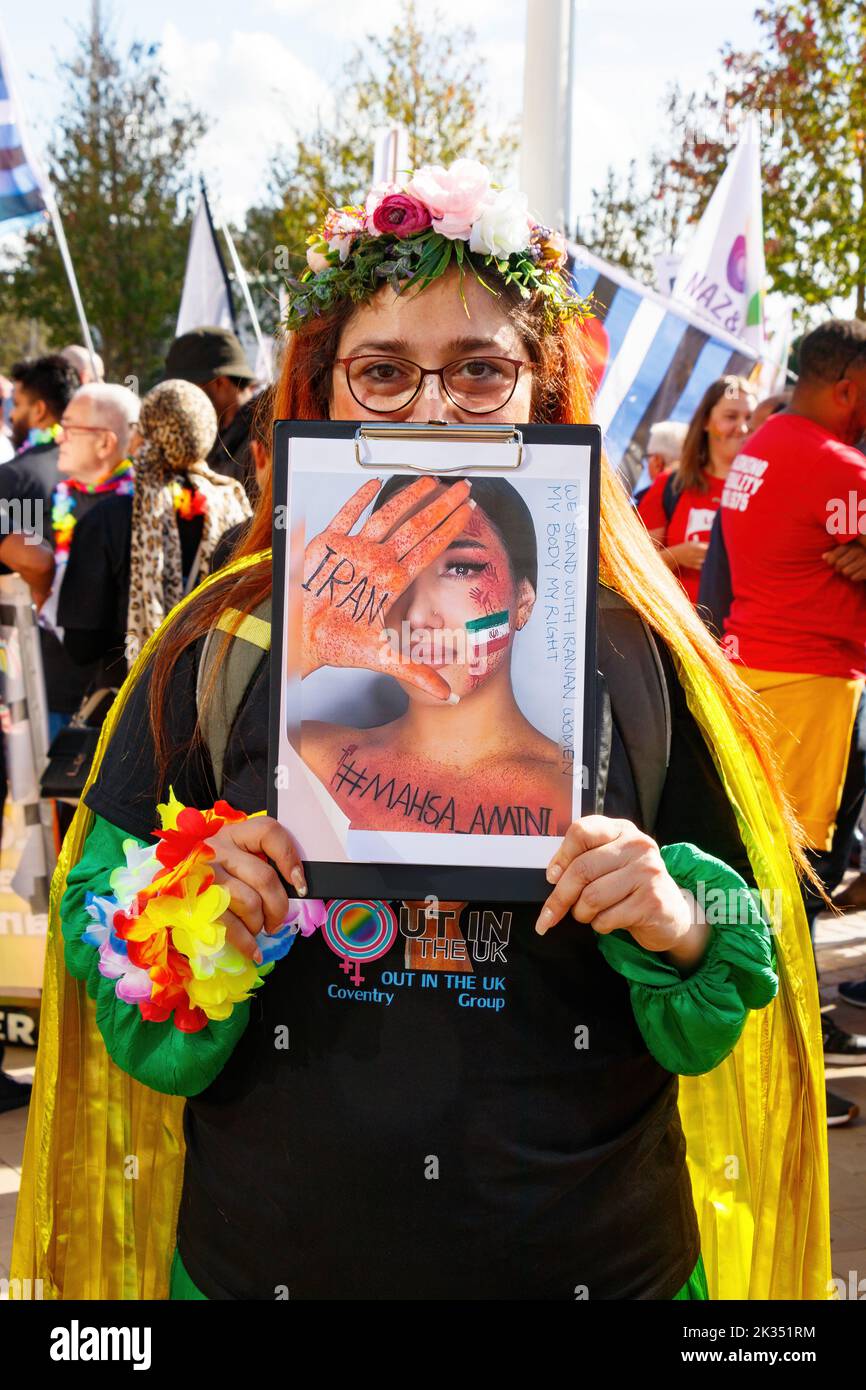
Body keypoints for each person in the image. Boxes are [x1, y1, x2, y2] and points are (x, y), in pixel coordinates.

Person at [14, 161, 829, 1301]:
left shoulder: (641, 653)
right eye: (383, 373)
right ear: (323, 390)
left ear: (541, 392)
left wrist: (678, 921)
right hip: (269, 1264)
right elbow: (108, 933)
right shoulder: (223, 645)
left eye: (479, 371)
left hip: (593, 1262)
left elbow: (737, 949)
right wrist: (194, 918)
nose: (433, 408)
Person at [708, 319, 866, 1115]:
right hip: (809, 686)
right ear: (846, 387)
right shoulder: (835, 464)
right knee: (794, 883)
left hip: (761, 674)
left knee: (774, 869)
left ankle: (786, 1046)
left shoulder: (768, 441)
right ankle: (785, 1068)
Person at [300, 475, 572, 833]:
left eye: (460, 568)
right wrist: (300, 643)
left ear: (523, 599)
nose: (416, 617)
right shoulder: (308, 759)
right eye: (393, 574)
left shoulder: (578, 795)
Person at [59, 379, 251, 681]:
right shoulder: (237, 509)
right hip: (211, 701)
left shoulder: (107, 519)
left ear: (144, 434)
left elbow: (81, 647)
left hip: (128, 708)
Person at [637, 377, 755, 604]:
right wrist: (677, 556)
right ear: (706, 422)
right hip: (673, 629)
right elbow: (636, 565)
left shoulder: (764, 491)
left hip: (735, 632)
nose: (742, 428)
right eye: (731, 417)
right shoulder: (671, 485)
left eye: (749, 418)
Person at [164, 327, 257, 494]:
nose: (181, 402)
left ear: (220, 383)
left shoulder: (262, 439)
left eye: (186, 391)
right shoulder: (211, 437)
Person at [631, 419, 687, 506]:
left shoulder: (649, 505)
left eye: (648, 457)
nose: (647, 463)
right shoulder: (688, 507)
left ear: (658, 462)